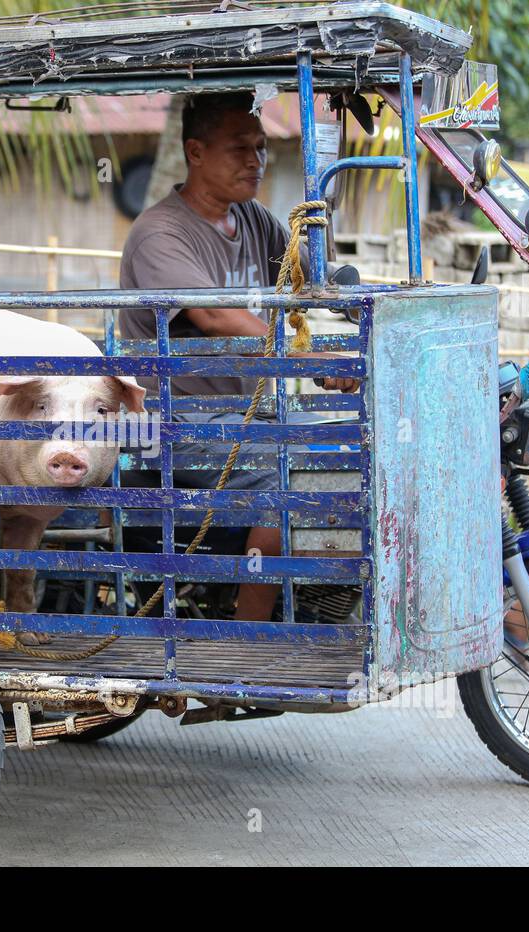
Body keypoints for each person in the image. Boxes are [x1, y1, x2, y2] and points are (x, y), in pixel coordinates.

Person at [118, 91, 356, 622]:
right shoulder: (160, 233)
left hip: (243, 419)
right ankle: (250, 643)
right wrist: (312, 359)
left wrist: (322, 223)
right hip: (170, 427)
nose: (255, 161)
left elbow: (309, 275)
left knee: (352, 452)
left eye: (261, 147)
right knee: (286, 475)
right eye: (238, 149)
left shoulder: (254, 218)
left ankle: (323, 606)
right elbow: (218, 316)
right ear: (196, 152)